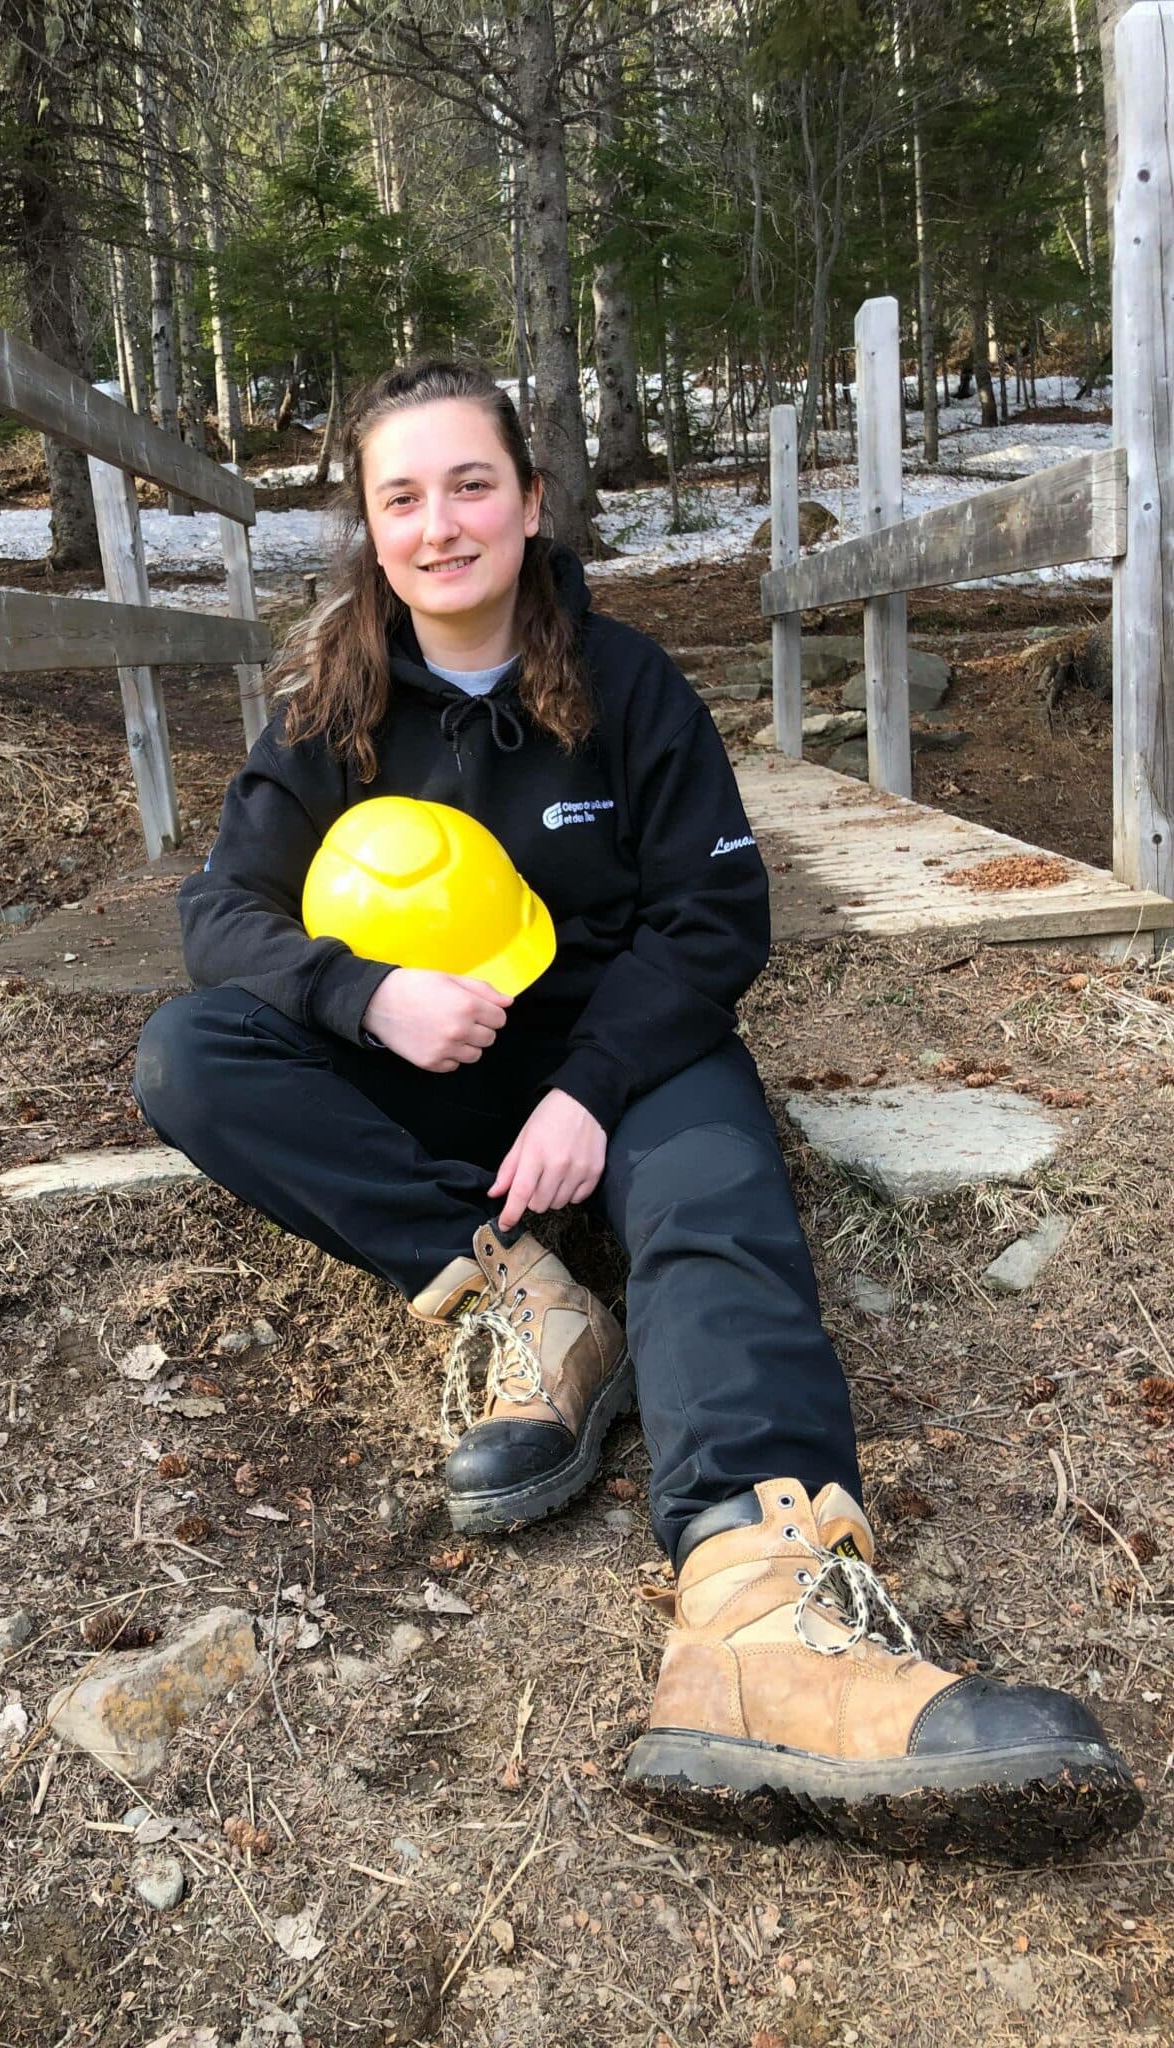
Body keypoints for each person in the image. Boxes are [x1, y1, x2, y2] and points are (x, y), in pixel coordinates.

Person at [134, 359, 1139, 1860]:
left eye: (471, 484)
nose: (440, 524)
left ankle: (762, 1607)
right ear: (367, 524)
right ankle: (523, 1303)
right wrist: (364, 995)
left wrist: (596, 1089)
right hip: (420, 1077)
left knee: (718, 1194)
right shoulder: (326, 710)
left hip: (624, 1060)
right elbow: (222, 917)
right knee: (190, 1055)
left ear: (532, 503)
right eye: (399, 496)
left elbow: (717, 918)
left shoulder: (629, 683)